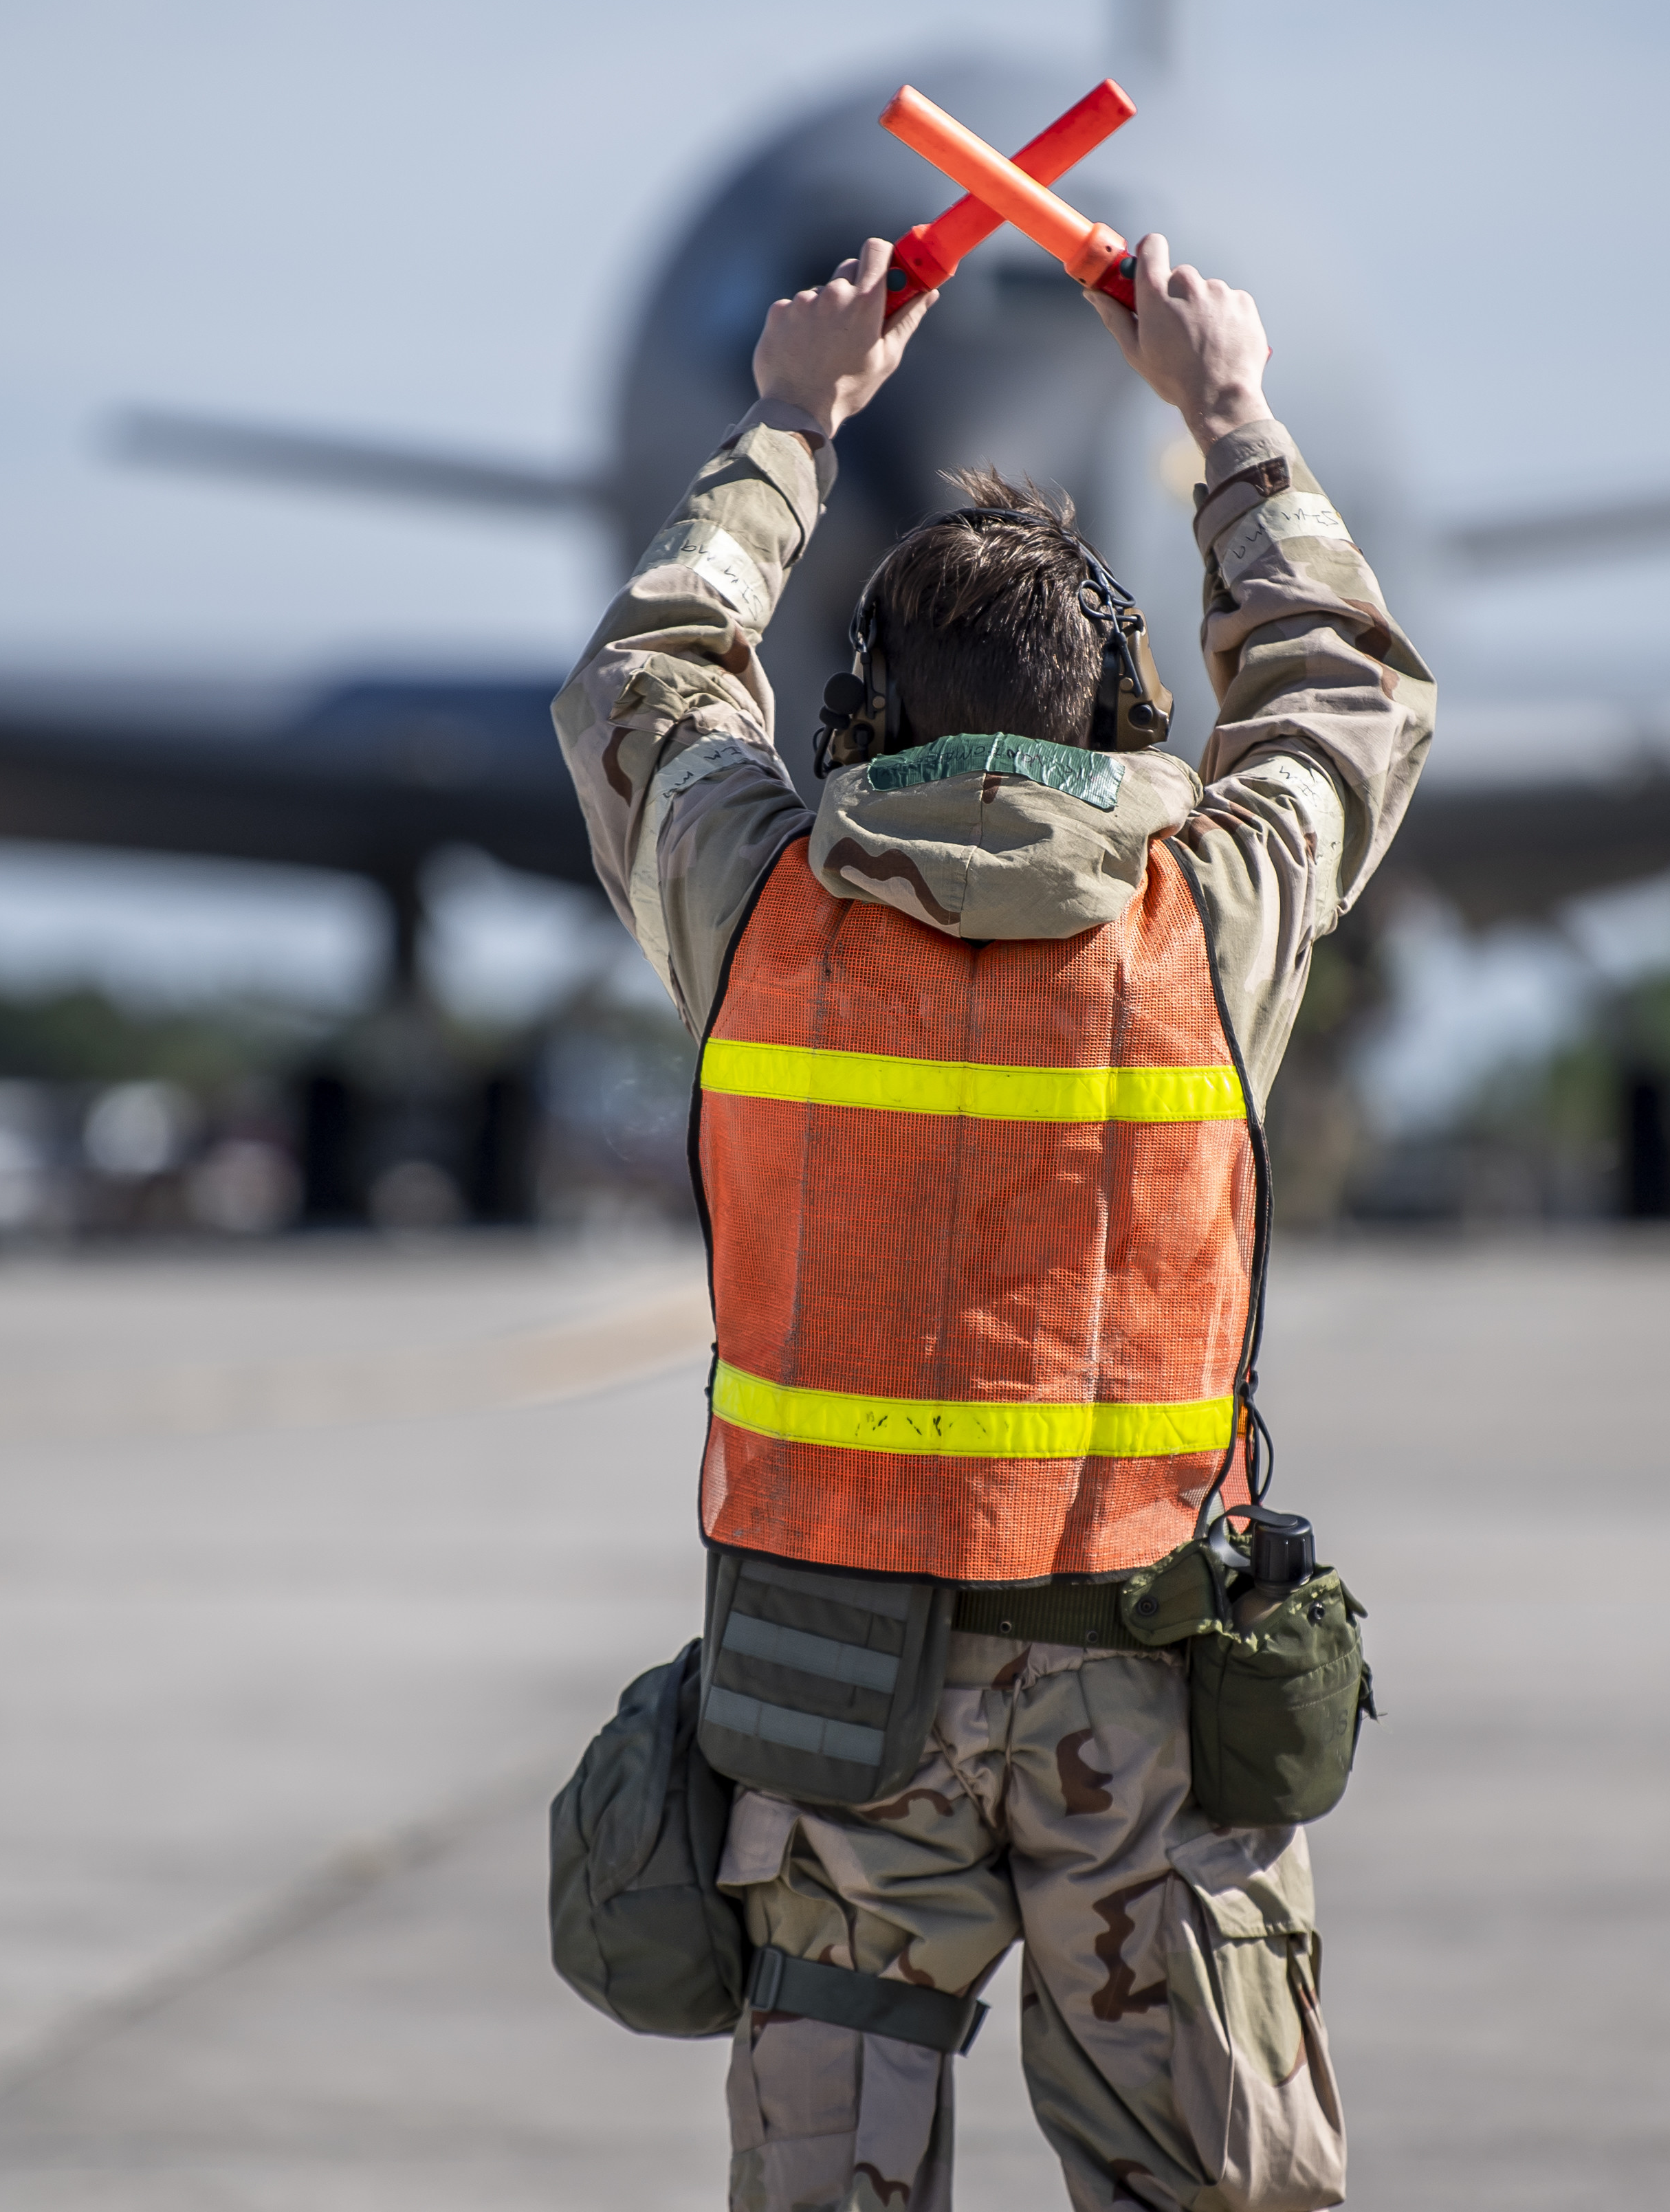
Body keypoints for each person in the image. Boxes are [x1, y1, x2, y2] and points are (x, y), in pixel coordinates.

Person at [556, 230, 1431, 2212]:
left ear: (853, 713)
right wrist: (1227, 409)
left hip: (832, 1706)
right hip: (1143, 1694)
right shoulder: (1208, 917)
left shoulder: (755, 901)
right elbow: (1347, 686)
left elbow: (643, 676)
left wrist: (791, 417)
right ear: (1124, 703)